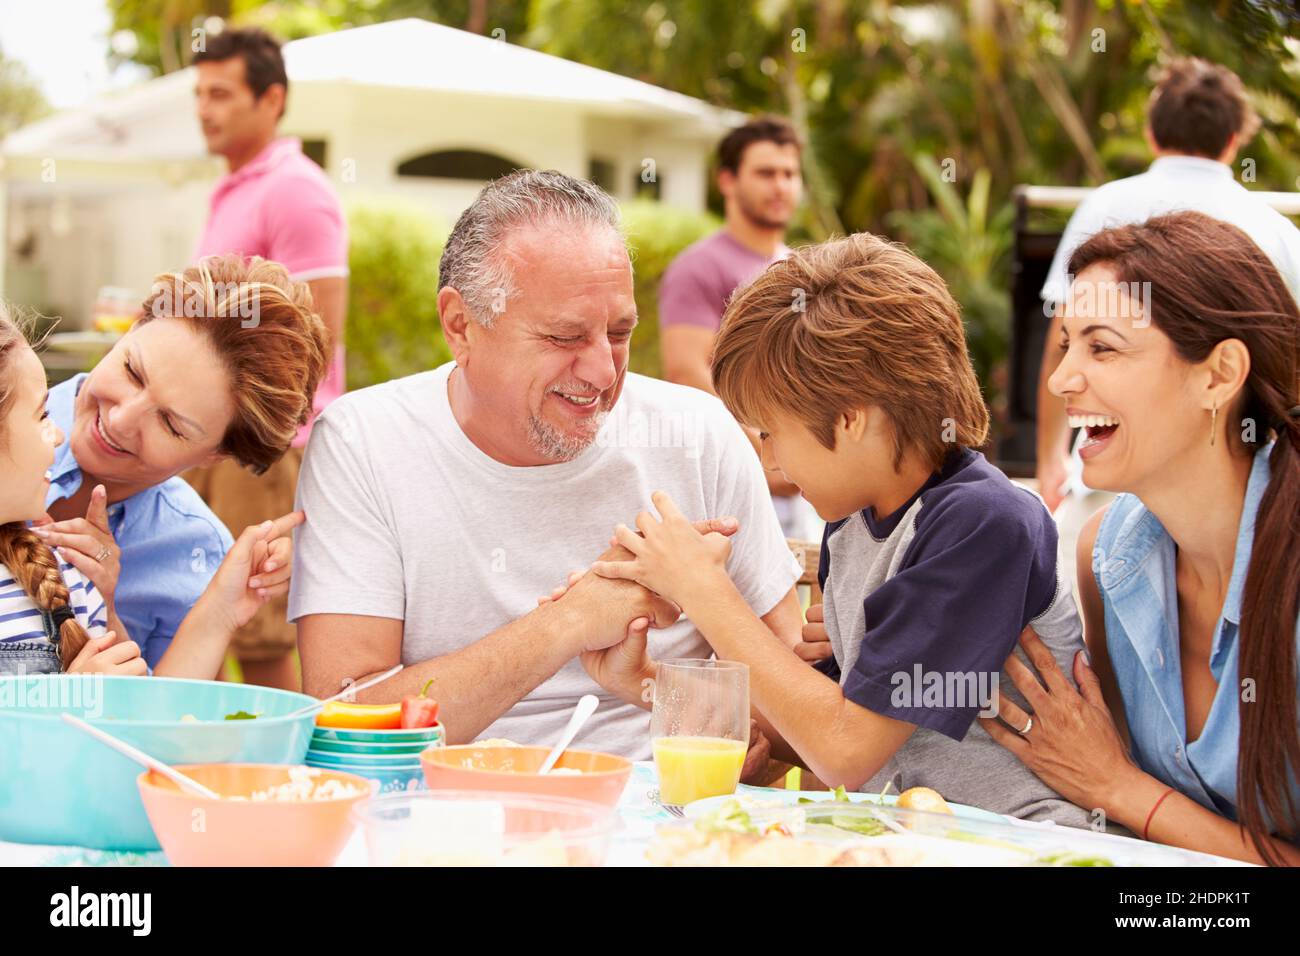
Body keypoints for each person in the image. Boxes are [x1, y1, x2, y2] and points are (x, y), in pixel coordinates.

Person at [290, 170, 804, 761]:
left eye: (619, 332)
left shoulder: (697, 432)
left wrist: (691, 630)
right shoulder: (364, 442)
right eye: (565, 337)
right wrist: (569, 621)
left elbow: (801, 723)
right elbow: (347, 728)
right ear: (461, 325)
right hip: (446, 817)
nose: (604, 373)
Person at [580, 232, 1090, 825]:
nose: (769, 460)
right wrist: (640, 678)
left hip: (1024, 837)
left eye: (771, 431)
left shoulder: (984, 523)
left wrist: (705, 590)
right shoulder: (854, 523)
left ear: (849, 420)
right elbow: (813, 734)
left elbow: (845, 751)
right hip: (905, 836)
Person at [984, 212, 1300, 865]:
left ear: (1218, 375)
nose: (1061, 379)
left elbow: (1116, 787)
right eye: (1065, 343)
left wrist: (1120, 789)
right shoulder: (1106, 557)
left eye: (1101, 348)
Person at [33, 255, 328, 676]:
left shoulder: (191, 550)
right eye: (132, 371)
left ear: (215, 455)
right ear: (133, 328)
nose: (120, 420)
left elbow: (167, 728)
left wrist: (104, 611)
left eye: (170, 424)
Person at [1034, 57, 1300, 514]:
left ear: (1152, 135)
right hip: (1243, 489)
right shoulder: (1278, 232)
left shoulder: (1104, 207)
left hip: (1105, 482)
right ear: (1233, 142)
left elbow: (1062, 340)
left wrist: (1050, 459)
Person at [186, 27, 349, 690]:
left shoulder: (295, 190)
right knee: (202, 614)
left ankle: (279, 784)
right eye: (199, 93)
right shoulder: (234, 188)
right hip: (212, 438)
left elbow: (320, 331)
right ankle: (220, 771)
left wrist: (250, 429)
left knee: (257, 634)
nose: (204, 108)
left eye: (221, 93)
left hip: (262, 442)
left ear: (271, 98)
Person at [658, 115, 818, 540]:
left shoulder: (801, 268)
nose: (781, 186)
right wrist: (767, 458)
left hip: (809, 486)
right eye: (765, 173)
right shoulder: (698, 267)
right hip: (736, 485)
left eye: (789, 174)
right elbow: (688, 373)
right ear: (727, 181)